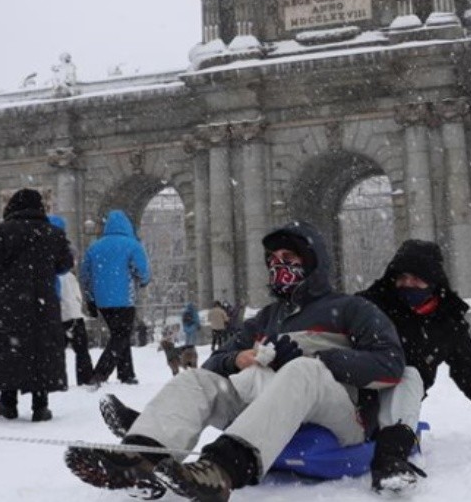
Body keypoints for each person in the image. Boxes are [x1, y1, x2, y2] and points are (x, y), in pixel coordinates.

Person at [64, 220, 404, 501]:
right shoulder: (266, 318)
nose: (278, 265)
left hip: (336, 414)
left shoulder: (350, 308)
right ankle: (141, 457)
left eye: (289, 256)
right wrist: (238, 358)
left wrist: (322, 358)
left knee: (303, 369)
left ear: (311, 261)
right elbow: (215, 364)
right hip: (264, 402)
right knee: (194, 379)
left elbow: (390, 364)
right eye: (273, 259)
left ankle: (220, 469)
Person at [359, 240, 471, 493]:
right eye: (402, 278)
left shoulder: (447, 322)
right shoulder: (371, 305)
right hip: (357, 385)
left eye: (416, 279)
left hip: (398, 396)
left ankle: (391, 459)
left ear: (433, 282)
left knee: (409, 373)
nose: (407, 285)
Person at [0, 189, 74, 422]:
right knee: (41, 348)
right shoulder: (54, 232)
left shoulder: (5, 231)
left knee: (11, 348)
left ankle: (7, 402)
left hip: (10, 301)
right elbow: (65, 264)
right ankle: (40, 405)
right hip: (43, 300)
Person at [80, 210, 151, 387]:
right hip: (124, 298)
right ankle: (99, 373)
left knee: (119, 334)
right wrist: (143, 281)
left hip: (103, 301)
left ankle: (126, 374)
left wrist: (90, 299)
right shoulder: (132, 245)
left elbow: (85, 275)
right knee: (121, 335)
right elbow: (142, 270)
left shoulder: (94, 247)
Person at [50, 216, 94, 387]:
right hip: (71, 313)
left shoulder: (39, 248)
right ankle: (86, 378)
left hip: (53, 313)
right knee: (81, 348)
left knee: (56, 351)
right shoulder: (65, 250)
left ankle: (58, 380)